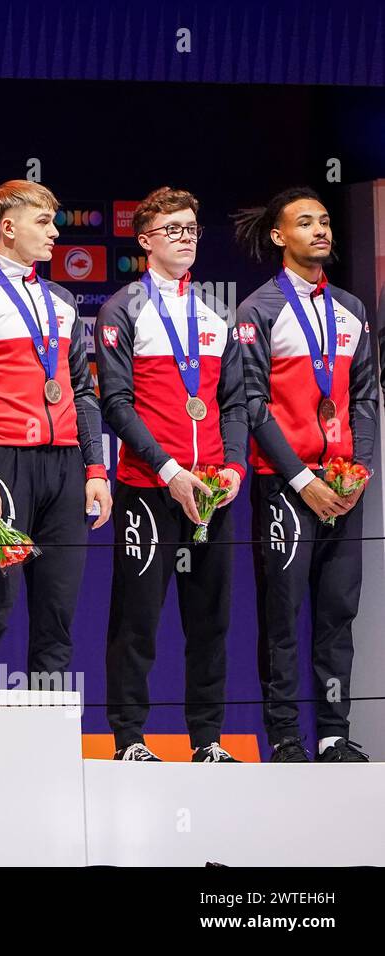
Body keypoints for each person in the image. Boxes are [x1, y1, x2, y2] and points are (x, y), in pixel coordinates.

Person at [97, 187, 246, 762]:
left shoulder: (216, 314)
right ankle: (130, 740)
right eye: (172, 229)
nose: (185, 238)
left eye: (191, 229)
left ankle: (207, 741)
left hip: (211, 491)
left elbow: (234, 404)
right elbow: (115, 402)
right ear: (144, 241)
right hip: (148, 489)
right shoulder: (122, 309)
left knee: (209, 623)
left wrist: (232, 468)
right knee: (137, 622)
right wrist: (167, 470)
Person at [234, 187, 377, 762]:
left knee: (338, 612)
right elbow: (251, 404)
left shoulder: (352, 309)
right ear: (278, 236)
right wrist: (301, 480)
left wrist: (356, 470)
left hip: (342, 487)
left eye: (324, 222)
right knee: (284, 617)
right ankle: (288, 737)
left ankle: (333, 733)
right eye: (304, 222)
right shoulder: (257, 311)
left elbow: (364, 398)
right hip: (286, 487)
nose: (321, 230)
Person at [0, 181, 111, 691]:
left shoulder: (63, 302)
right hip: (4, 466)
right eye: (42, 221)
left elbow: (83, 392)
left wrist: (95, 469)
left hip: (65, 468)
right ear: (8, 228)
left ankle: (48, 733)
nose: (55, 231)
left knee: (58, 608)